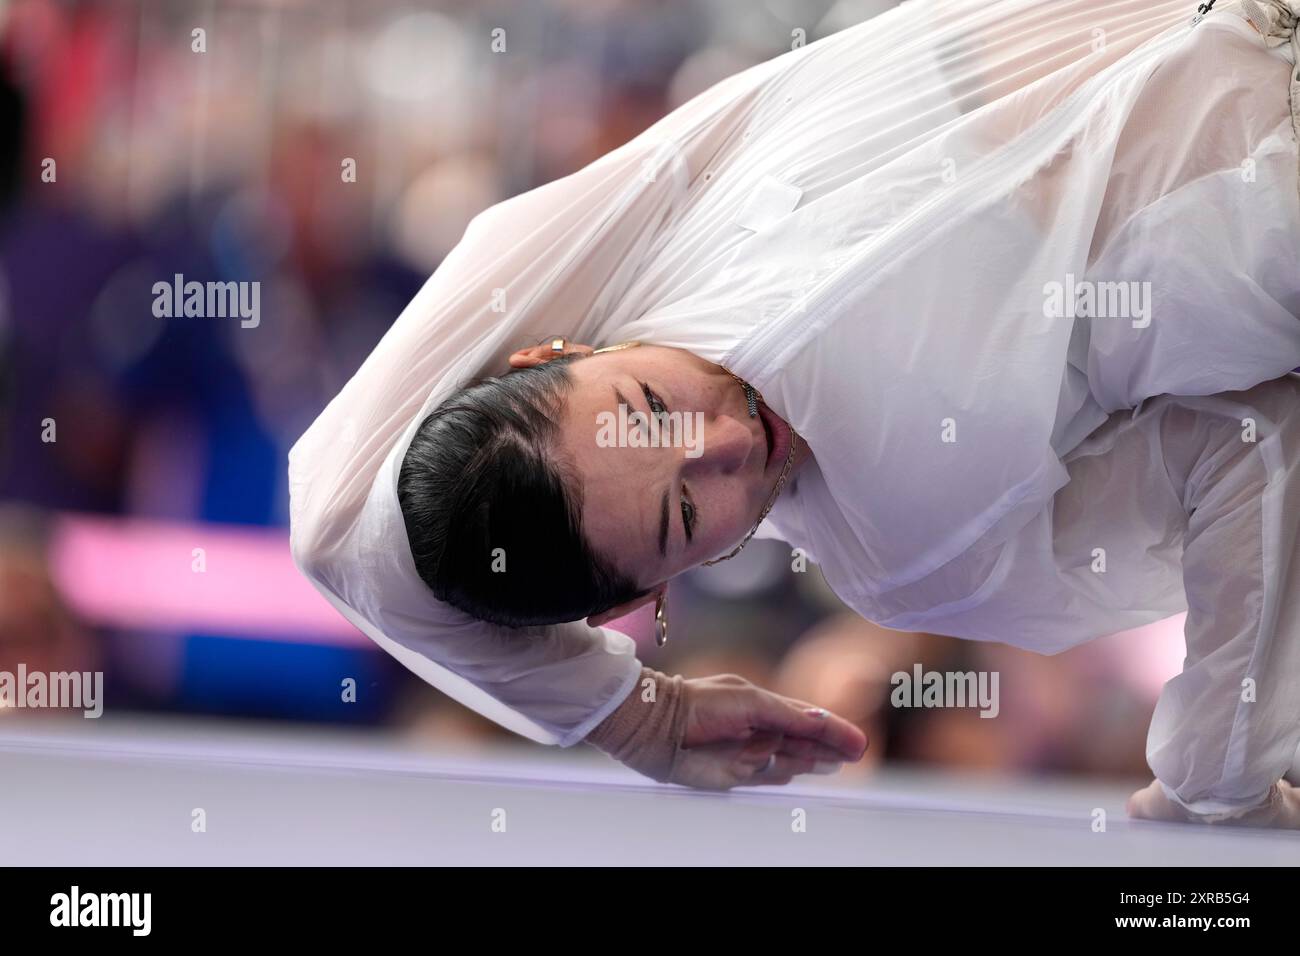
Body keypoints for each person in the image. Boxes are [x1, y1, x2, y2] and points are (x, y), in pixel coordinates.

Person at [290, 0, 1300, 822]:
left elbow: (334, 519)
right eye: (683, 514)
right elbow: (1250, 447)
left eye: (647, 407)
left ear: (553, 347)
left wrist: (620, 710)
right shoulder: (908, 547)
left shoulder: (667, 221)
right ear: (637, 602)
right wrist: (1217, 773)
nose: (727, 440)